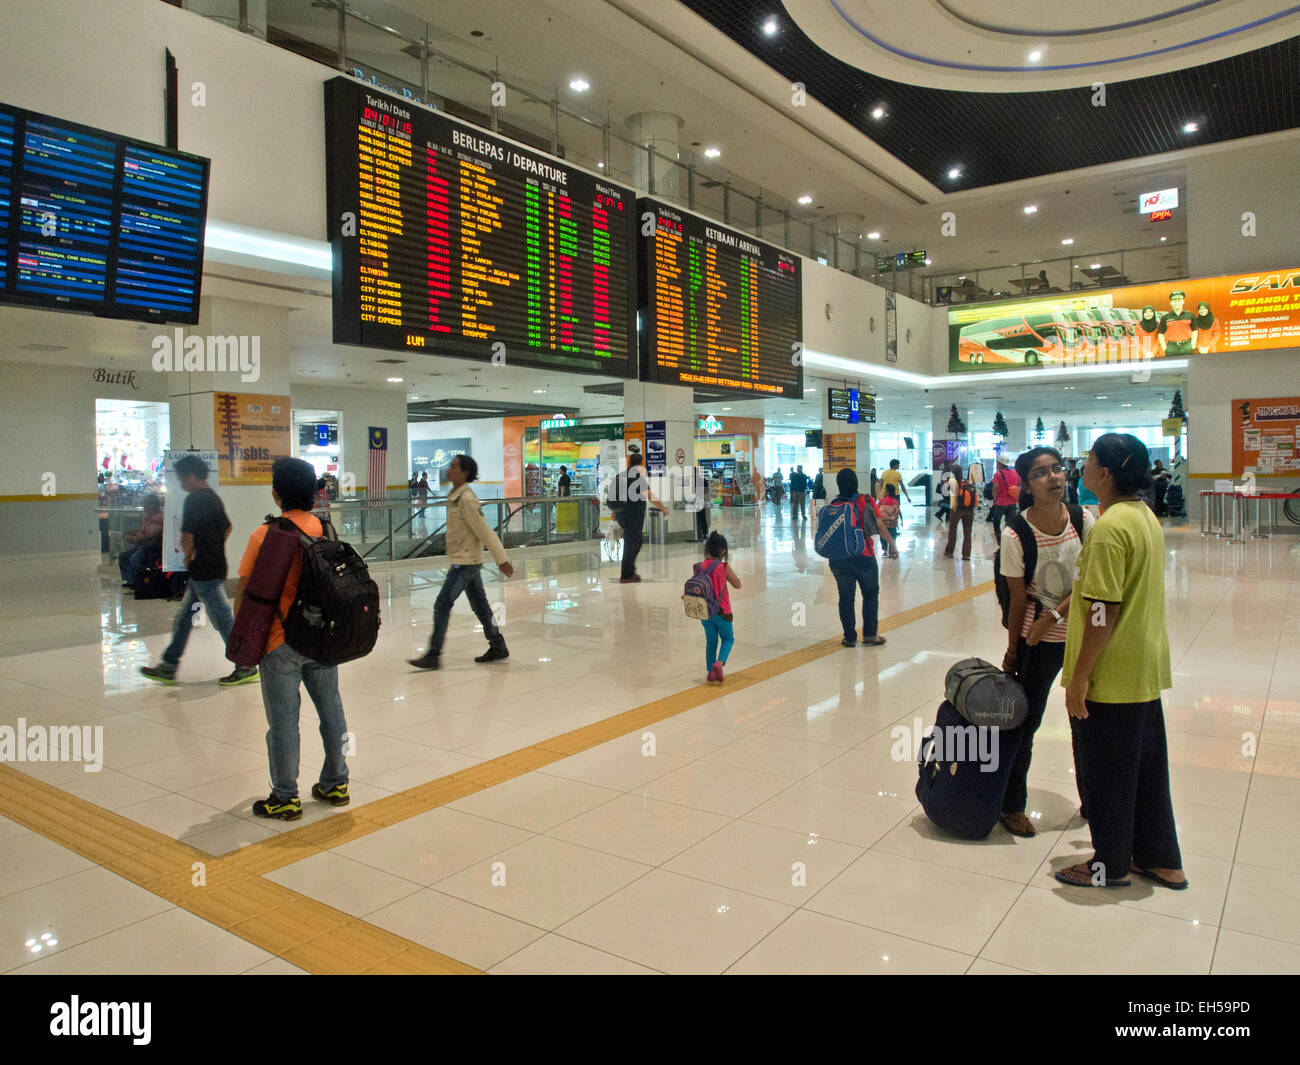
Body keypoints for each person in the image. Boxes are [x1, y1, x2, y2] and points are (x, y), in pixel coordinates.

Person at [1056, 433, 1185, 890]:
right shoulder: (1143, 516)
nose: (1082, 467)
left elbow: (1101, 610)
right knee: (1147, 771)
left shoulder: (1109, 528)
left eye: (1088, 460)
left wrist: (1080, 678)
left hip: (1113, 672)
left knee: (1106, 773)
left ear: (1105, 473)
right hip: (1144, 667)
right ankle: (1160, 858)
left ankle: (1108, 864)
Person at [232, 458, 348, 821]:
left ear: (276, 493)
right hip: (322, 640)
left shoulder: (263, 535)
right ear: (314, 492)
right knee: (331, 710)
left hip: (280, 643)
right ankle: (336, 782)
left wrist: (243, 638)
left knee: (283, 723)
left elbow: (245, 593)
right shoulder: (326, 529)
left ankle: (285, 796)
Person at [997, 447, 1094, 838]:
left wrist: (1056, 614)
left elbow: (1091, 579)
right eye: (1041, 473)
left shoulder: (1083, 519)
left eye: (1057, 469)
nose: (1053, 477)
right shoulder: (1016, 534)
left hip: (1081, 635)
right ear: (1026, 485)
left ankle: (1094, 797)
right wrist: (1013, 650)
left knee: (1086, 719)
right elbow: (1018, 599)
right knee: (1027, 722)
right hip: (1037, 641)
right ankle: (1011, 804)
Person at [141, 455, 255, 687]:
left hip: (203, 569)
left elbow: (187, 536)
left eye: (182, 479)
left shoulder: (194, 500)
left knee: (221, 618)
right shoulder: (214, 498)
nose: (182, 484)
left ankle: (245, 664)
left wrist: (188, 554)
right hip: (213, 565)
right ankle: (169, 665)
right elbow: (228, 527)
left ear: (191, 477)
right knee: (186, 617)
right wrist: (213, 547)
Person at [409, 454, 515, 668]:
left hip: (466, 563)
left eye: (454, 467)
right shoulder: (456, 497)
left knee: (442, 604)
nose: (449, 470)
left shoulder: (466, 499)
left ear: (465, 472)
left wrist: (501, 559)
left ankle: (433, 654)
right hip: (465, 559)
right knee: (482, 607)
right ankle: (498, 645)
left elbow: (484, 531)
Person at [828, 468, 894, 647]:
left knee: (846, 598)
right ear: (856, 482)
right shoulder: (865, 500)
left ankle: (849, 638)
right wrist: (892, 544)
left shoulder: (834, 504)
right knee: (870, 595)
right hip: (863, 556)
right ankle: (870, 636)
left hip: (839, 559)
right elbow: (879, 526)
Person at [610, 453, 669, 583]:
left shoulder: (621, 476)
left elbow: (616, 495)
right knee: (631, 543)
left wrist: (614, 512)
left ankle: (630, 571)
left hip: (621, 514)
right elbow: (649, 495)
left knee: (637, 540)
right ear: (641, 464)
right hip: (633, 515)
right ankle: (626, 575)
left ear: (629, 462)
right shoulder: (637, 478)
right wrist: (663, 508)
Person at [696, 530, 742, 683]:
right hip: (723, 612)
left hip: (705, 613)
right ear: (722, 551)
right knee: (728, 639)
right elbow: (737, 584)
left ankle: (710, 672)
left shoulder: (699, 567)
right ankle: (719, 663)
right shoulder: (722, 567)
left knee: (711, 642)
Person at [119, 493, 164, 587]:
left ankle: (140, 581)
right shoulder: (147, 517)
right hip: (142, 545)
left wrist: (134, 538)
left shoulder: (159, 518)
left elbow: (151, 534)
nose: (144, 506)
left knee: (134, 559)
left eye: (145, 504)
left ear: (152, 505)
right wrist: (129, 533)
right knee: (123, 556)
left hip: (152, 546)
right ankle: (130, 580)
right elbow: (142, 530)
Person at [943, 465, 976, 559]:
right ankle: (966, 555)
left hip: (956, 508)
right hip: (969, 509)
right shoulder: (967, 481)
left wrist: (955, 505)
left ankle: (949, 551)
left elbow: (953, 493)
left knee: (952, 531)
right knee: (968, 532)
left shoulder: (952, 481)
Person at [989, 452, 1021, 544]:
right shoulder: (1015, 473)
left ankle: (1000, 541)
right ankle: (1008, 540)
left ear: (1000, 463)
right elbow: (1019, 484)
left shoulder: (998, 474)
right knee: (1010, 523)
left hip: (1000, 502)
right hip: (1012, 502)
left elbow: (995, 488)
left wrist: (995, 500)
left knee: (996, 522)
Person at [1158, 290, 1197, 356]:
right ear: (1170, 302)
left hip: (1187, 346)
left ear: (1183, 301)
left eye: (1179, 300)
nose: (1177, 302)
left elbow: (1195, 330)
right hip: (1171, 347)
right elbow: (1160, 333)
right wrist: (1164, 347)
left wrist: (1193, 344)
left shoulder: (1190, 315)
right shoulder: (1165, 317)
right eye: (1174, 300)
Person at [877, 483, 901, 559]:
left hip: (883, 522)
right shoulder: (895, 501)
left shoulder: (882, 500)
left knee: (883, 537)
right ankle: (891, 551)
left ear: (887, 492)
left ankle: (884, 550)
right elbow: (898, 511)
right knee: (893, 536)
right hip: (892, 523)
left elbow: (877, 509)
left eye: (885, 490)